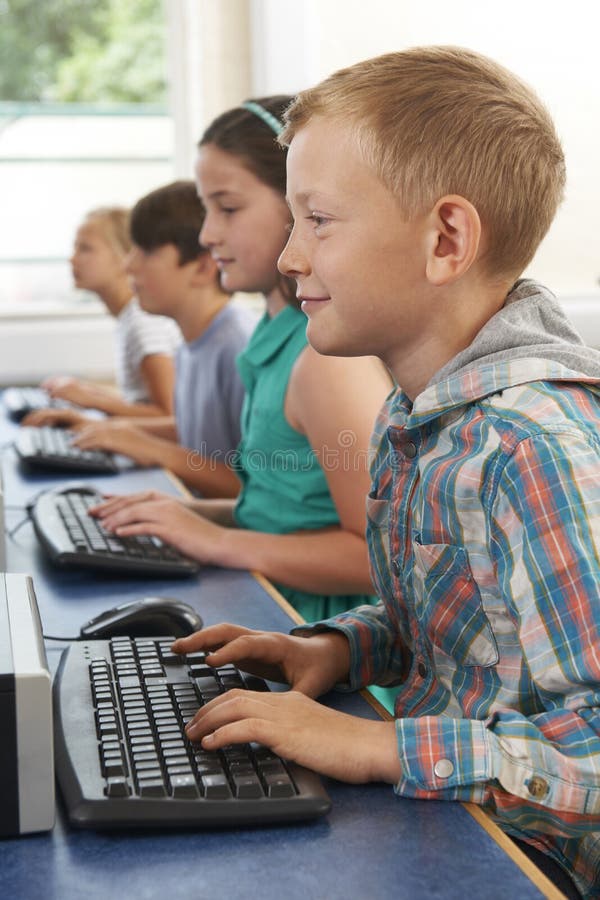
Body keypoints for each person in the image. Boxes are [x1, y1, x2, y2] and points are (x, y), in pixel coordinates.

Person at [169, 49, 600, 898]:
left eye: (318, 221)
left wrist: (377, 744)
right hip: (460, 828)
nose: (291, 258)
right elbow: (464, 630)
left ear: (445, 239)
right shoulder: (424, 416)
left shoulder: (532, 446)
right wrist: (336, 647)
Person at [91, 96, 391, 621]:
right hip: (274, 611)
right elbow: (281, 517)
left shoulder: (325, 361)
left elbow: (375, 556)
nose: (207, 235)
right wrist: (184, 515)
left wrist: (216, 541)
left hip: (322, 636)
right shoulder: (275, 339)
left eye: (227, 208)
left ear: (298, 202)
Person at [69, 181, 256, 498]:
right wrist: (118, 431)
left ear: (202, 266)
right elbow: (196, 434)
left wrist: (154, 450)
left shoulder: (238, 347)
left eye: (146, 251)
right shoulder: (190, 342)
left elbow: (253, 487)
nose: (128, 265)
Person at [23, 206, 181, 424]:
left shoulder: (144, 323)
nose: (72, 259)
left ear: (124, 257)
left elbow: (168, 415)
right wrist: (87, 391)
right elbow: (139, 400)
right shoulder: (129, 317)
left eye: (85, 249)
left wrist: (91, 402)